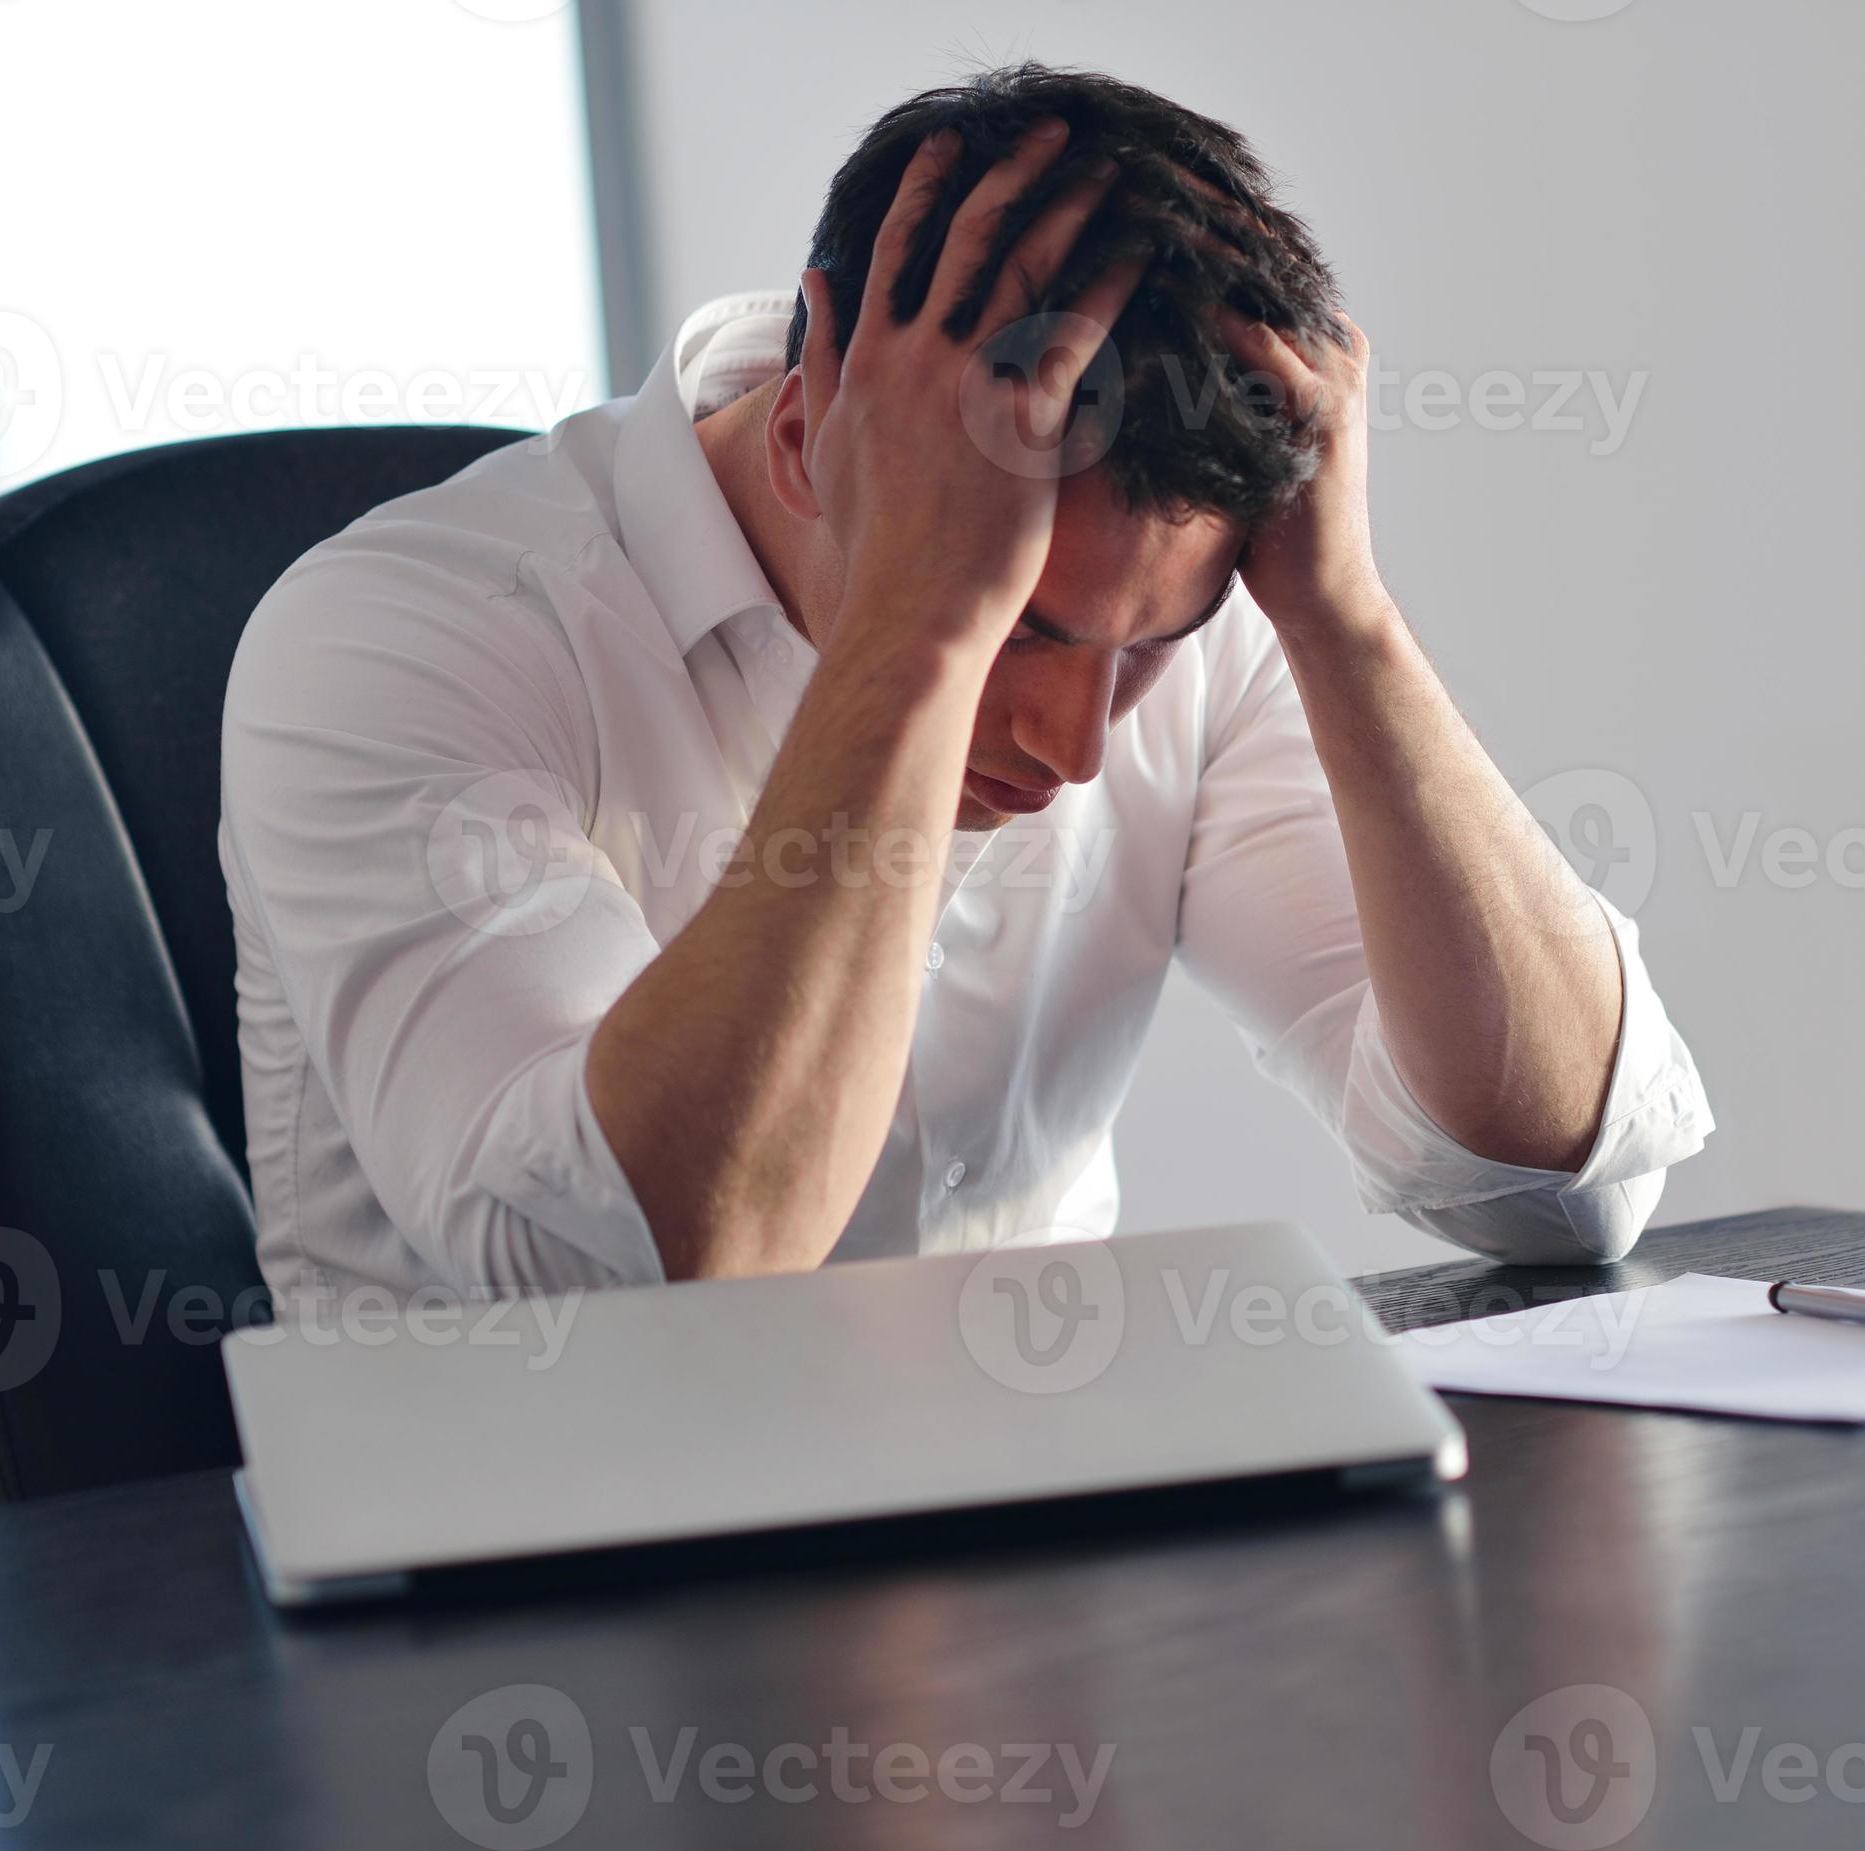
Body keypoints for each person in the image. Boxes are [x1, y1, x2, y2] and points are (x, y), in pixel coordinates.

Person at [217, 64, 1710, 1298]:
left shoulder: (1170, 605)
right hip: (523, 1559)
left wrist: (1346, 622)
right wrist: (924, 625)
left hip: (1051, 1517)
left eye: (1146, 650)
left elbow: (1557, 1188)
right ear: (805, 436)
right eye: (1024, 631)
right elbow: (635, 1279)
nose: (1074, 747)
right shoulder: (392, 637)